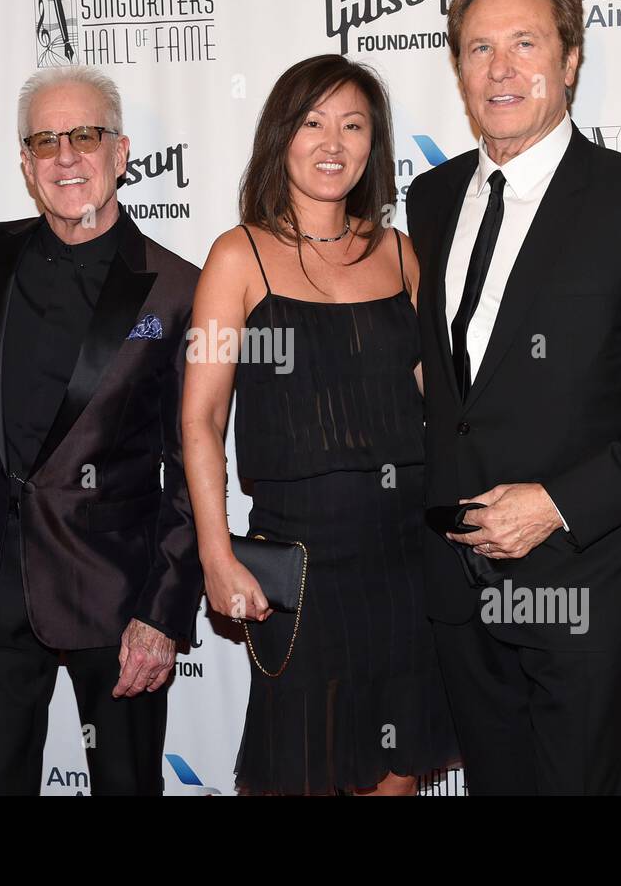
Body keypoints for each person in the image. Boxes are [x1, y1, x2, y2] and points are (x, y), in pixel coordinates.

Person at [406, 0, 621, 794]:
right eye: (480, 48)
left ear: (571, 60)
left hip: (584, 586)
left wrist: (554, 504)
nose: (501, 68)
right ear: (458, 68)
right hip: (459, 589)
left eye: (526, 43)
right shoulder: (431, 199)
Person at [183, 54, 460, 795]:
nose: (333, 143)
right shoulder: (238, 257)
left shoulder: (400, 255)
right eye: (313, 123)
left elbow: (443, 406)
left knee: (397, 774)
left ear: (374, 145)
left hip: (407, 558)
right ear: (283, 136)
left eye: (353, 125)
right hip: (301, 566)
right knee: (301, 770)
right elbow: (201, 419)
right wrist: (215, 553)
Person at [0, 65, 201, 796]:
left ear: (120, 154)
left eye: (85, 136)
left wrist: (162, 613)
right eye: (45, 141)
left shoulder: (176, 288)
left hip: (117, 599)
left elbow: (192, 465)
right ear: (26, 163)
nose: (65, 156)